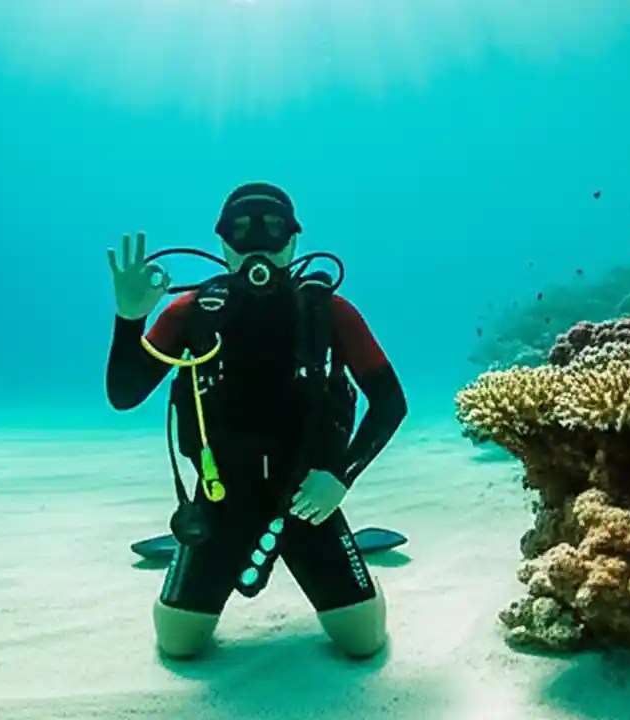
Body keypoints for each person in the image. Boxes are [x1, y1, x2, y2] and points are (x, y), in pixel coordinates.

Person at [104, 182, 408, 660]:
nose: (258, 247)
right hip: (221, 500)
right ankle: (198, 553)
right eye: (241, 233)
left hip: (310, 501)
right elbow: (124, 394)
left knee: (364, 641)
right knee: (178, 644)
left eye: (273, 231)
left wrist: (340, 478)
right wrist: (129, 318)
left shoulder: (328, 311)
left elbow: (390, 402)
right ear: (223, 241)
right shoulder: (191, 312)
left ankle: (339, 549)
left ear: (293, 241)